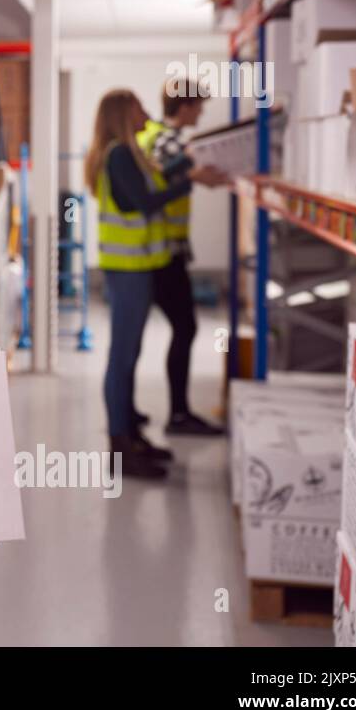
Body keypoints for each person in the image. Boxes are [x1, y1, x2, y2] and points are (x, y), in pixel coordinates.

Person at [84, 90, 222, 481]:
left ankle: (130, 436)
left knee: (129, 354)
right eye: (139, 108)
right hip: (128, 269)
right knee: (123, 358)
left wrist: (186, 163)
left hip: (137, 267)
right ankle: (120, 447)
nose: (147, 113)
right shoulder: (119, 154)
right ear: (124, 114)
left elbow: (155, 180)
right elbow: (144, 202)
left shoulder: (127, 153)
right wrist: (190, 179)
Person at [136, 79, 226, 436]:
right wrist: (192, 175)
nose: (201, 113)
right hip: (163, 251)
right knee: (185, 327)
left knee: (181, 328)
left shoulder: (158, 136)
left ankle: (177, 411)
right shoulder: (168, 139)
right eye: (198, 106)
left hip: (166, 249)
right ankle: (178, 414)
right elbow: (165, 177)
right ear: (184, 106)